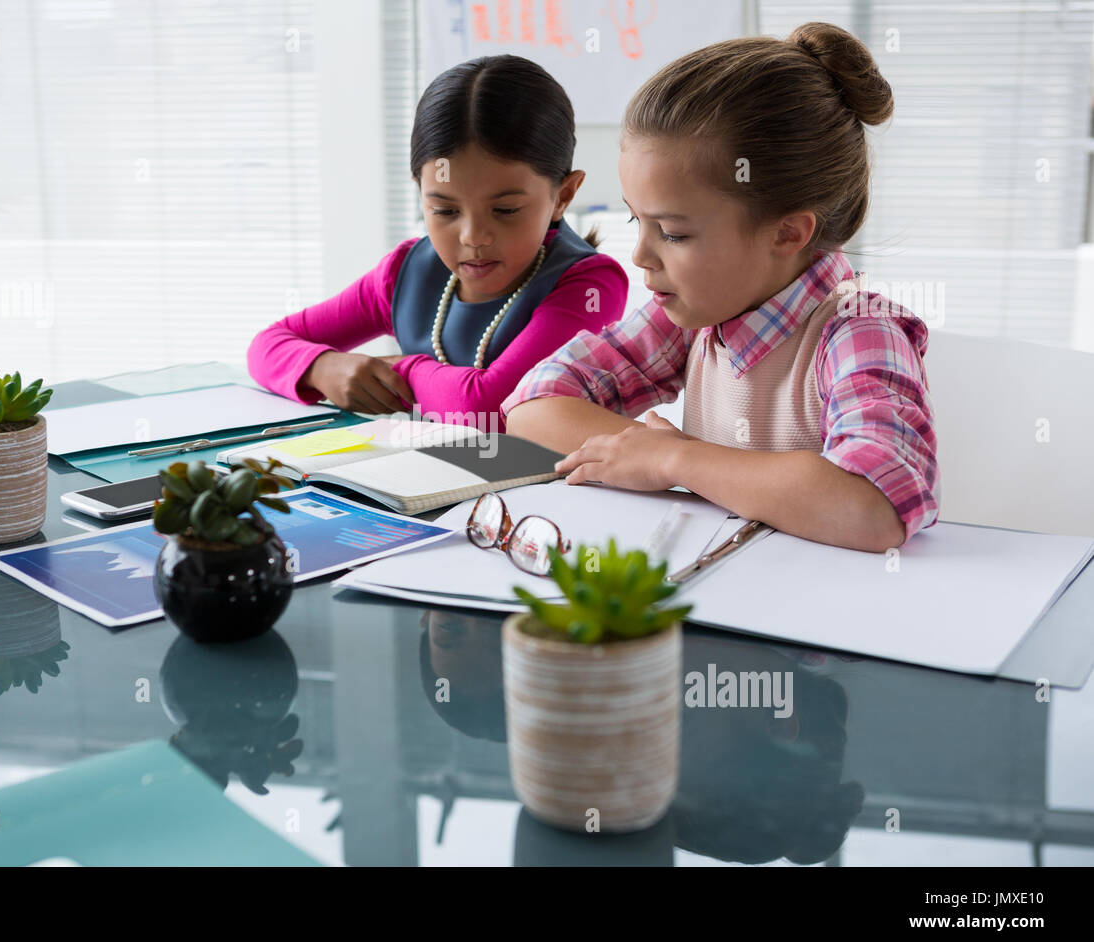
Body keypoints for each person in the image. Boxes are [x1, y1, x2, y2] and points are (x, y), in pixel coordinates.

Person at [503, 23, 940, 552]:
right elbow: (533, 405)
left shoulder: (860, 330)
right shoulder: (694, 313)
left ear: (786, 232)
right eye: (634, 221)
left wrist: (676, 458)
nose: (641, 255)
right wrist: (656, 453)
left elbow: (876, 506)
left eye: (674, 233)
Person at [247, 55, 628, 431]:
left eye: (507, 210)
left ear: (563, 195)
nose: (473, 237)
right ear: (420, 193)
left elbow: (492, 408)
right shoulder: (404, 275)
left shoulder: (591, 286)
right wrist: (322, 367)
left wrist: (397, 369)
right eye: (444, 210)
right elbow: (266, 346)